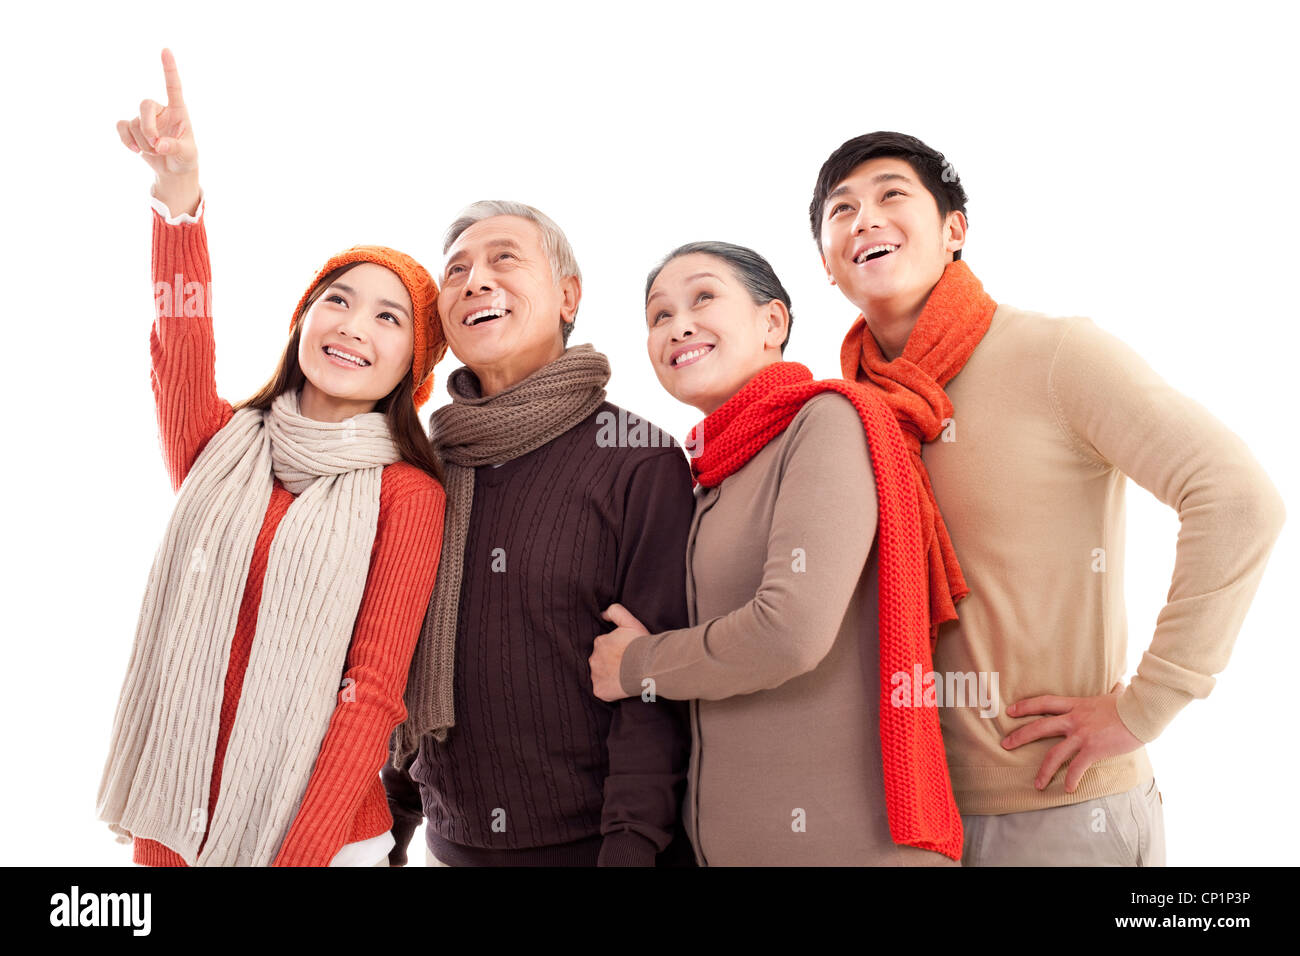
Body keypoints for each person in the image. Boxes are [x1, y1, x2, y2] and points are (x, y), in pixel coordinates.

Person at [811, 130, 1287, 866]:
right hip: (903, 820)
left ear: (955, 231)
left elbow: (1236, 497)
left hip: (1060, 812)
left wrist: (1148, 705)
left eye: (891, 195)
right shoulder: (843, 414)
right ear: (826, 264)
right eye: (841, 210)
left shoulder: (1055, 354)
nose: (864, 219)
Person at [96, 49, 448, 867]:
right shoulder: (220, 446)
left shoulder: (406, 495)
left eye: (388, 318)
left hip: (318, 840)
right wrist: (178, 193)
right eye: (337, 299)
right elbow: (179, 336)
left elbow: (372, 695)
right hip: (174, 820)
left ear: (412, 369)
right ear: (303, 322)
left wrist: (297, 857)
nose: (353, 325)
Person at [588, 241, 962, 865]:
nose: (678, 324)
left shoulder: (823, 424)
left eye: (703, 297)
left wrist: (637, 665)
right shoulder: (711, 475)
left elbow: (788, 633)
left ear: (773, 323)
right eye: (658, 315)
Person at [381, 201, 695, 867]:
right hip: (448, 848)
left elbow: (653, 689)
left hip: (596, 852)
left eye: (503, 259)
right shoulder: (422, 468)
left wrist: (630, 853)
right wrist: (388, 838)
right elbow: (390, 664)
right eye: (457, 270)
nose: (475, 281)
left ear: (567, 296)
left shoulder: (639, 459)